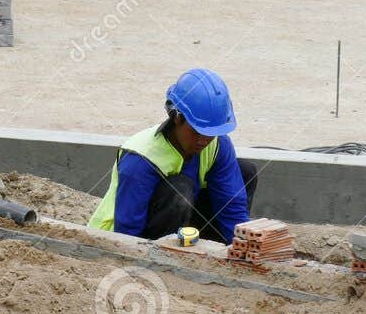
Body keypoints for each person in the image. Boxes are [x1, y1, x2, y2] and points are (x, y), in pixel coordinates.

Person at [87, 67, 256, 243]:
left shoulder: (218, 144)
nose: (204, 140)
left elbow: (232, 206)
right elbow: (127, 230)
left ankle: (206, 248)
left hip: (181, 221)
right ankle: (168, 252)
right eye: (197, 131)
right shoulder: (140, 159)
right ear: (177, 118)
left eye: (211, 133)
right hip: (118, 237)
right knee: (180, 189)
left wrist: (242, 245)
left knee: (245, 171)